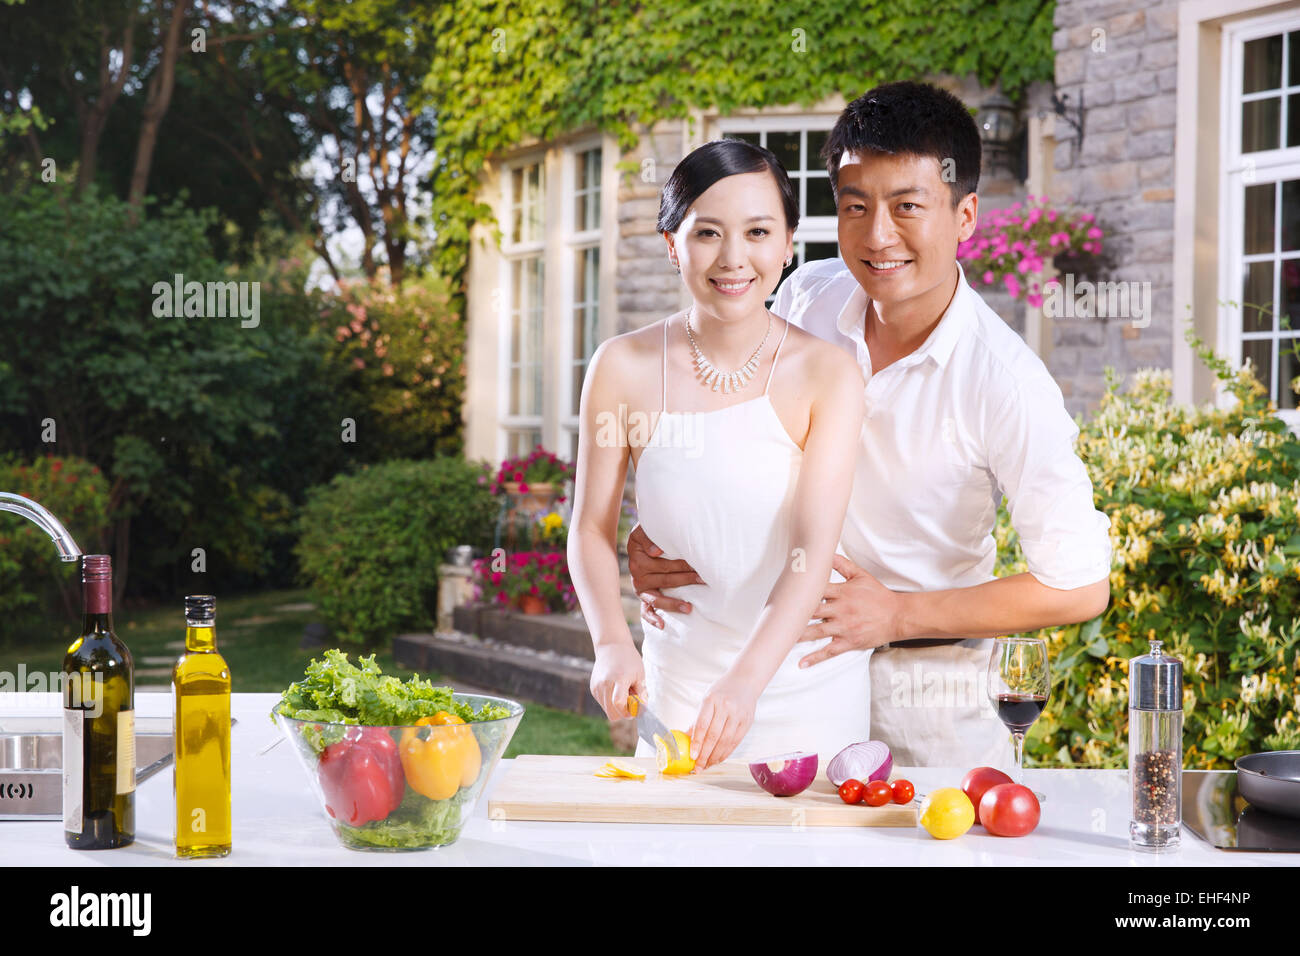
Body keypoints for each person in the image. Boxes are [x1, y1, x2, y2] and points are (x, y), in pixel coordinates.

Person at [630, 81, 1113, 769]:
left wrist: (896, 615)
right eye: (856, 207)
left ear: (966, 214)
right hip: (790, 673)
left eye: (908, 207)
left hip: (926, 699)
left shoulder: (1005, 383)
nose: (879, 236)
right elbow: (728, 433)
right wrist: (664, 530)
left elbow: (1080, 585)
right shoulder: (805, 297)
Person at [567, 139, 871, 770]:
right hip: (679, 681)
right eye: (707, 232)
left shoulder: (828, 373)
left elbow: (812, 549)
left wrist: (746, 682)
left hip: (804, 680)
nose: (734, 258)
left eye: (758, 231)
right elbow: (591, 530)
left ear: (788, 244)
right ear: (673, 243)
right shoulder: (620, 367)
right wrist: (610, 642)